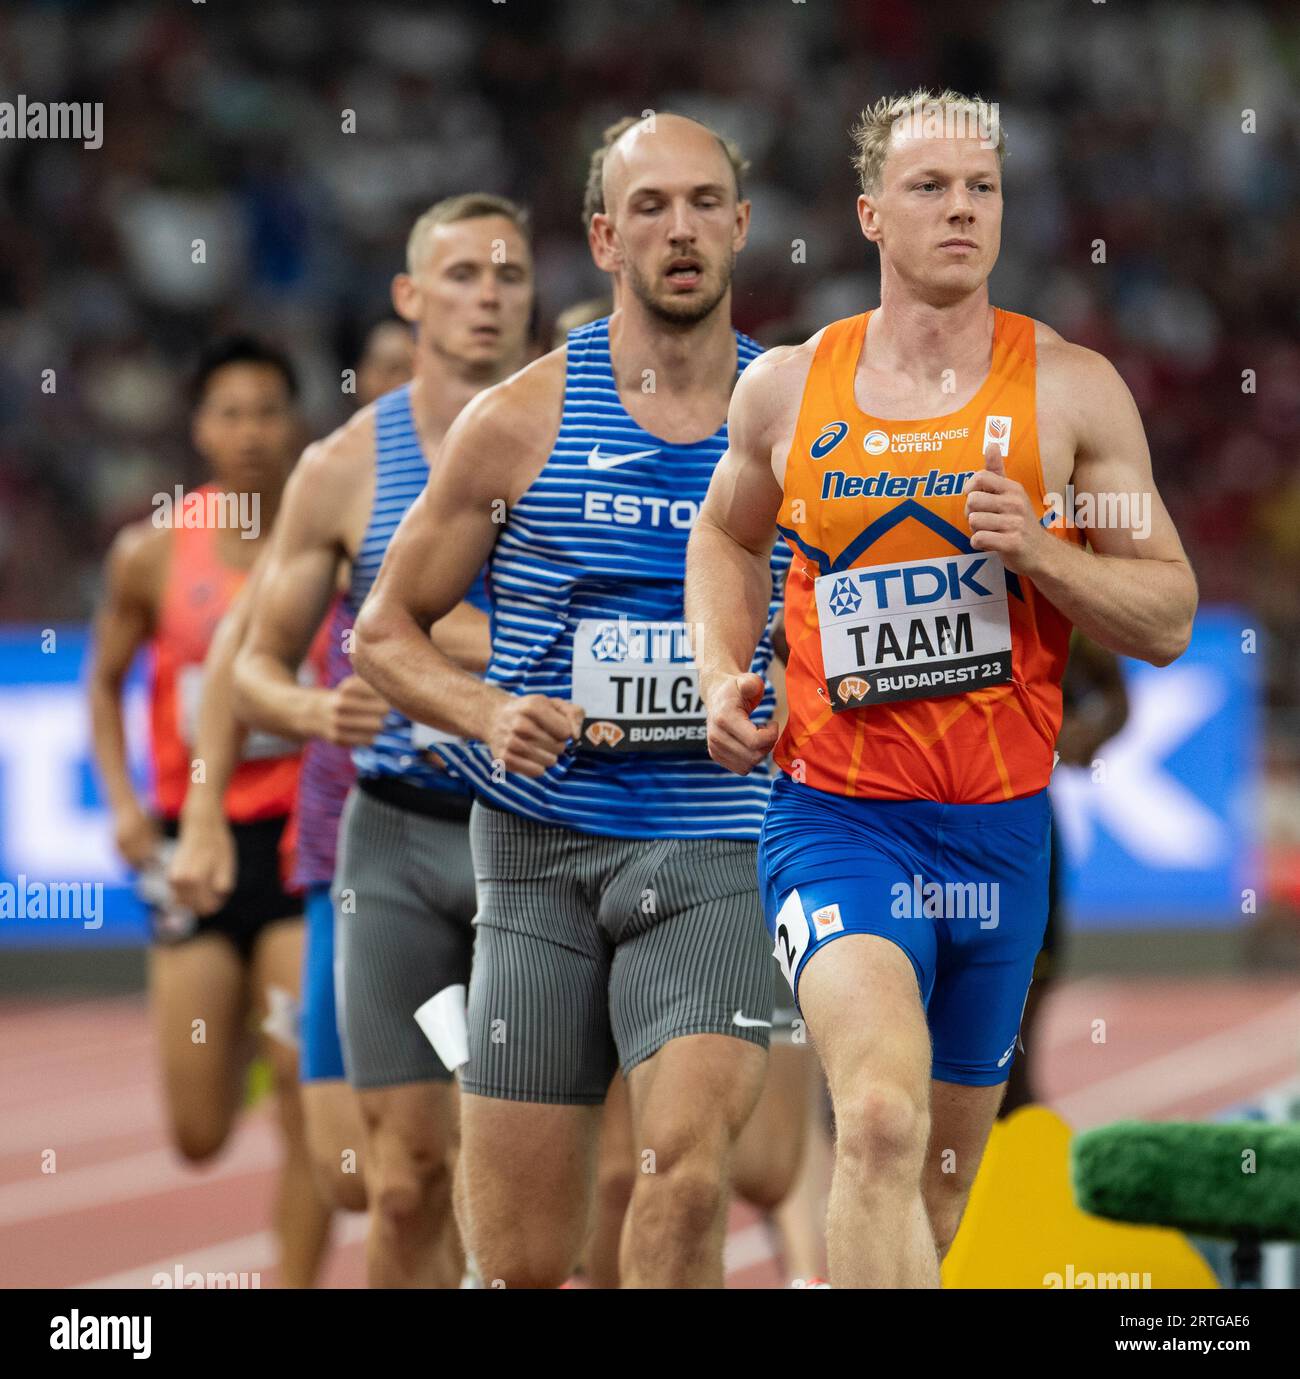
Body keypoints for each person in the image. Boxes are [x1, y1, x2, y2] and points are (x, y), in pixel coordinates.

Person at [684, 87, 1198, 1287]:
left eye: (981, 188)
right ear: (871, 213)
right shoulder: (789, 389)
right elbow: (724, 538)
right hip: (836, 817)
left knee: (936, 1197)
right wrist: (720, 672)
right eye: (930, 188)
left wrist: (1043, 552)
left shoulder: (1070, 393)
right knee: (871, 1119)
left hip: (1000, 835)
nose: (961, 209)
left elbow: (1167, 613)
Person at [353, 113, 791, 1289]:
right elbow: (381, 631)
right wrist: (482, 708)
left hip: (718, 843)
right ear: (604, 237)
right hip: (538, 854)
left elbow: (842, 635)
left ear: (741, 226)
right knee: (523, 1261)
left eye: (705, 202)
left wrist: (789, 686)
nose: (681, 229)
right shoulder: (519, 422)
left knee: (684, 1173)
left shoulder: (803, 416)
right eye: (650, 207)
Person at [232, 192, 534, 1287]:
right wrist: (317, 709)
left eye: (508, 275)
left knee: (537, 1186)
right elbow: (252, 664)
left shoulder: (570, 435)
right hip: (394, 844)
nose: (488, 296)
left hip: (536, 839)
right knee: (398, 1174)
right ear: (410, 298)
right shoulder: (343, 466)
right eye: (462, 275)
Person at [88, 336, 332, 1286]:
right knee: (196, 1133)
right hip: (194, 844)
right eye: (229, 413)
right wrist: (121, 802)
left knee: (311, 1104)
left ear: (295, 423)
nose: (249, 433)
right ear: (198, 429)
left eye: (268, 410)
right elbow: (104, 683)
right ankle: (246, 1045)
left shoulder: (327, 544)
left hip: (297, 847)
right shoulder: (149, 555)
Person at [167, 319, 418, 1214]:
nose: (404, 383)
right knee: (333, 1165)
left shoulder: (503, 471)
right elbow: (237, 659)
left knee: (432, 1139)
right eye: (385, 370)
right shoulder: (342, 488)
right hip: (321, 844)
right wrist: (189, 819)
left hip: (471, 835)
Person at [999, 632, 1129, 1116]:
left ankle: (1015, 1094)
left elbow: (1117, 698)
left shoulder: (1058, 612)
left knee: (1032, 969)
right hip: (911, 814)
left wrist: (1082, 733)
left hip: (1022, 818)